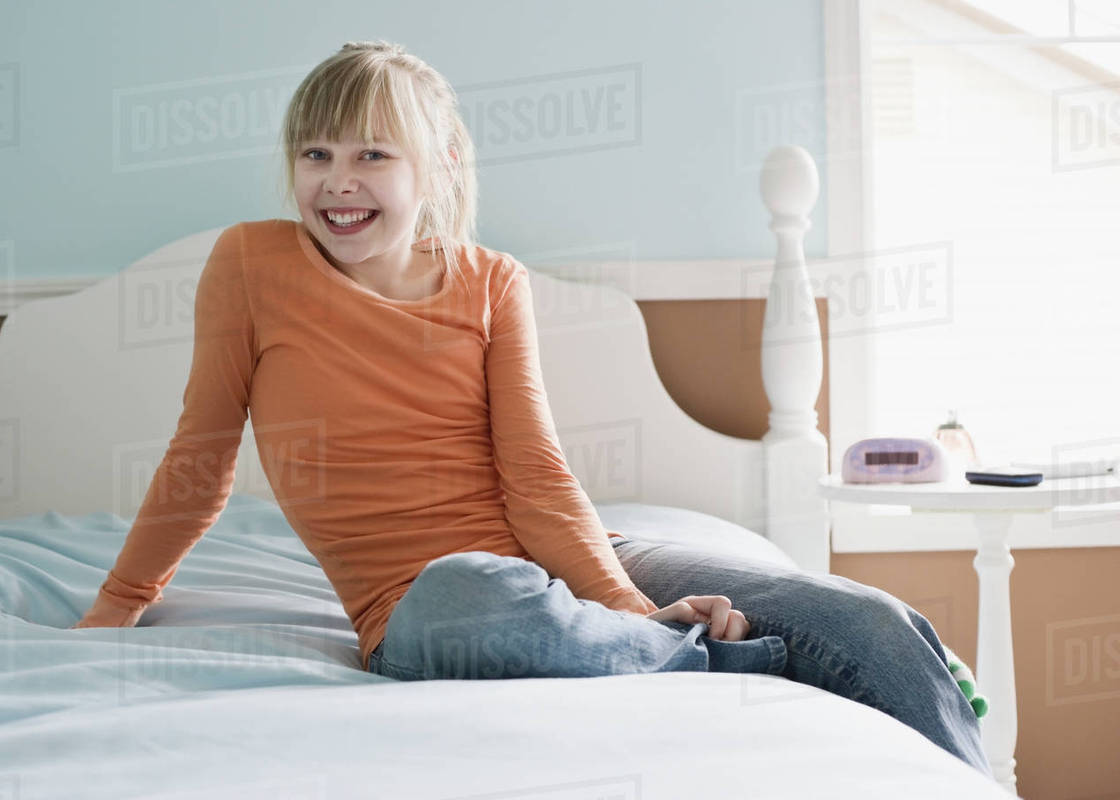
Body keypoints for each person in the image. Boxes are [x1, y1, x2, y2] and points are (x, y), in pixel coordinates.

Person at [72, 40, 992, 778]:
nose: (336, 180)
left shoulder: (489, 282)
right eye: (315, 153)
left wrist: (630, 605)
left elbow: (538, 475)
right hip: (422, 607)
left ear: (436, 167)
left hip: (580, 560)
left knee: (867, 618)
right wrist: (120, 602)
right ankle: (716, 662)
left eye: (372, 155)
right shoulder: (251, 264)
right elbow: (201, 456)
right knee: (476, 588)